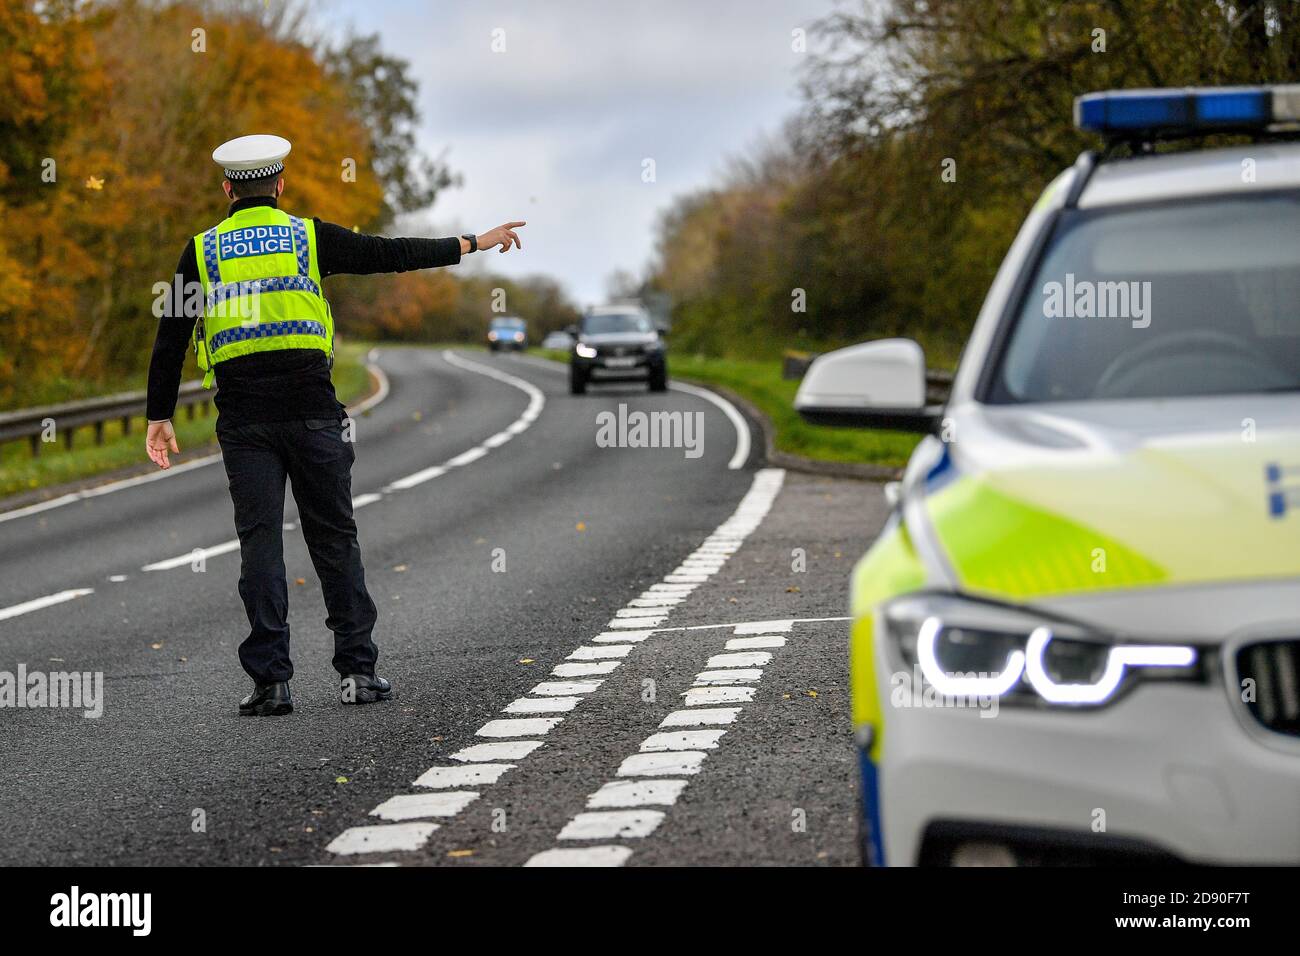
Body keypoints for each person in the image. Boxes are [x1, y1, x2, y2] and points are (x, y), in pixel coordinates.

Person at [145, 133, 525, 716]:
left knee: (261, 545)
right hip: (316, 415)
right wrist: (474, 242)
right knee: (334, 540)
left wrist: (159, 415)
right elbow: (387, 254)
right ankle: (357, 672)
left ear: (227, 189)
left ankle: (271, 683)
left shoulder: (201, 252)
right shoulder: (306, 237)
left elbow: (171, 334)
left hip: (245, 423)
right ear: (280, 186)